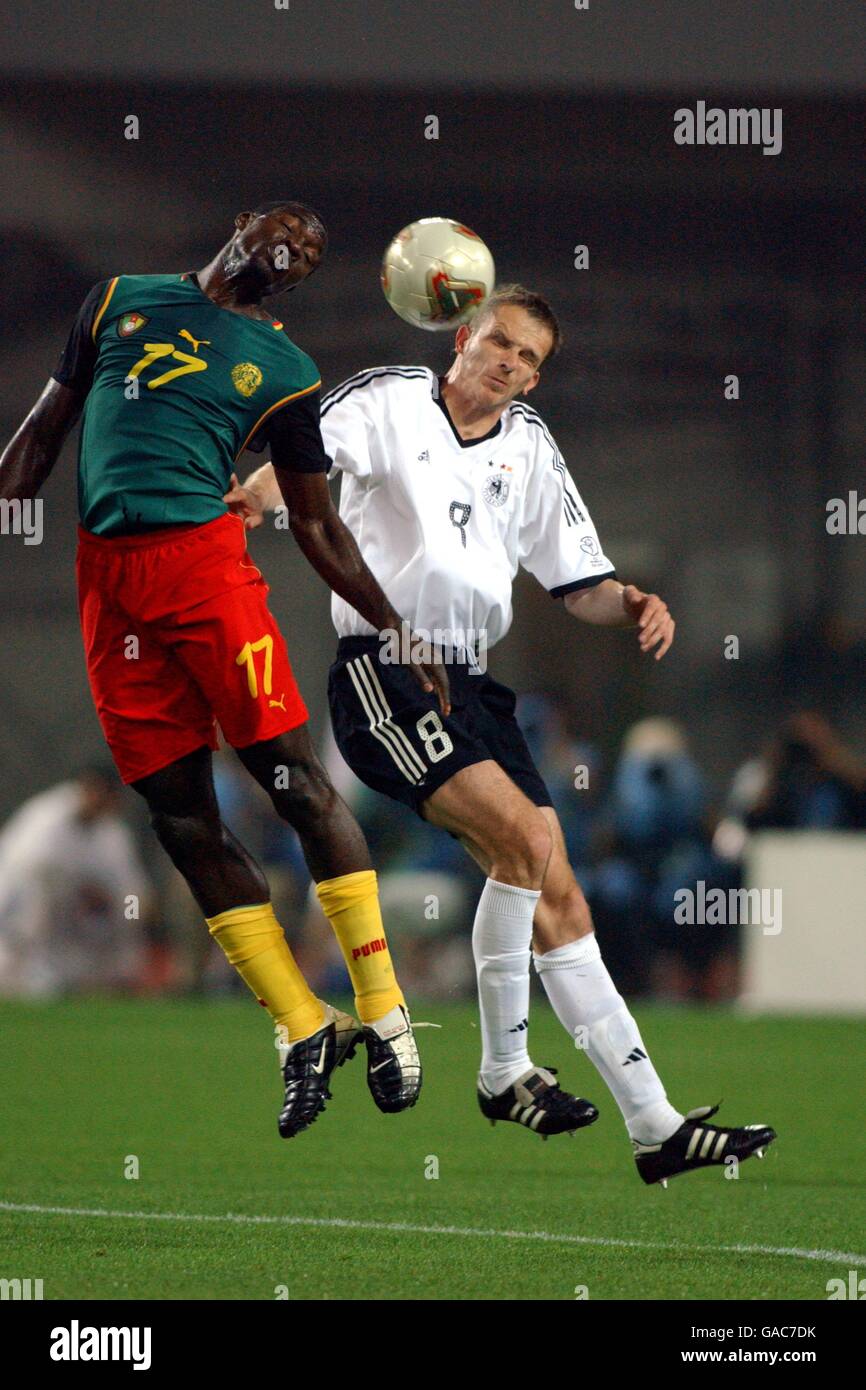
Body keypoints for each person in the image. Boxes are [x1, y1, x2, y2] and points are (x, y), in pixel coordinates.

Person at [230, 284, 776, 1184]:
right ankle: (502, 1070)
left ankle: (656, 1125)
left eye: (531, 362)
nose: (514, 368)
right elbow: (300, 458)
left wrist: (632, 600)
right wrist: (252, 499)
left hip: (476, 684)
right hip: (387, 671)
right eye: (505, 346)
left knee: (560, 893)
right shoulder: (391, 398)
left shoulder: (529, 447)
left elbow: (577, 580)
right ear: (463, 337)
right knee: (528, 841)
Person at [0, 201, 452, 1141]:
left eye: (311, 253)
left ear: (294, 281)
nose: (293, 248)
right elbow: (42, 436)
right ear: (245, 226)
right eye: (286, 228)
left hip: (205, 572)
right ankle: (301, 1027)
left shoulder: (286, 372)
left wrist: (396, 628)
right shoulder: (118, 300)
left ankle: (384, 1011)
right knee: (177, 817)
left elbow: (318, 522)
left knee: (293, 784)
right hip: (108, 583)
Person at [0, 767, 149, 996]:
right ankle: (31, 970)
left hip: (81, 924)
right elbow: (28, 871)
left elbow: (133, 889)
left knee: (132, 908)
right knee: (37, 894)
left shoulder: (112, 831)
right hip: (22, 915)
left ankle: (122, 975)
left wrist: (130, 915)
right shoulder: (46, 816)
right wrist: (83, 890)